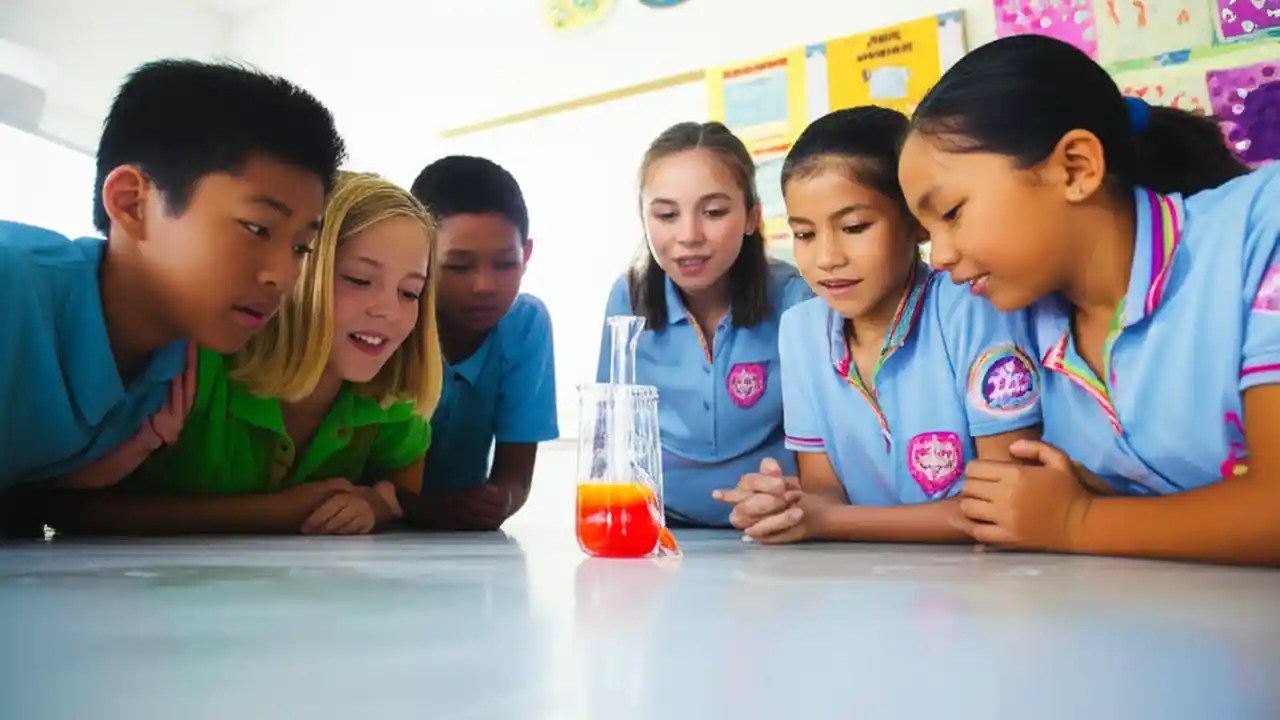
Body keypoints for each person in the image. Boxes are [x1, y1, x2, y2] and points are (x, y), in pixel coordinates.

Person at [897, 34, 1277, 565]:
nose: (939, 257)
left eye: (952, 213)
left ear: (1076, 168)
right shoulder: (1018, 318)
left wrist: (1076, 520)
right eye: (927, 234)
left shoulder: (1259, 230)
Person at [0, 59, 344, 490]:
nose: (284, 276)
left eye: (301, 247)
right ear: (132, 203)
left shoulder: (181, 366)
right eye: (257, 228)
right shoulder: (12, 289)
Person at [47, 172, 442, 535]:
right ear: (295, 268)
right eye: (359, 279)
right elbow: (62, 507)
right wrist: (274, 512)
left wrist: (376, 505)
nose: (390, 312)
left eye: (410, 292)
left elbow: (401, 496)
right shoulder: (189, 365)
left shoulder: (389, 399)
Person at [714, 107, 1043, 543]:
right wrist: (787, 506)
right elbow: (824, 491)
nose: (828, 258)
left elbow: (1008, 507)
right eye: (805, 234)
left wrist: (828, 521)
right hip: (864, 575)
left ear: (916, 222)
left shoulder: (972, 307)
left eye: (854, 227)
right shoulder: (801, 331)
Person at [597, 121, 812, 527]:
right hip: (658, 528)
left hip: (774, 525)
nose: (689, 235)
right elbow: (610, 436)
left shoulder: (795, 299)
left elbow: (827, 448)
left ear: (752, 216)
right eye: (666, 215)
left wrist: (789, 497)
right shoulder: (628, 298)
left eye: (713, 212)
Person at [408, 156, 557, 530]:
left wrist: (500, 499)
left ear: (526, 255)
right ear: (418, 257)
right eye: (459, 266)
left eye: (505, 264)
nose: (484, 286)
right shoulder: (392, 319)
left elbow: (515, 479)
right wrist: (423, 508)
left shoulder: (525, 325)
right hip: (365, 527)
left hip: (466, 539)